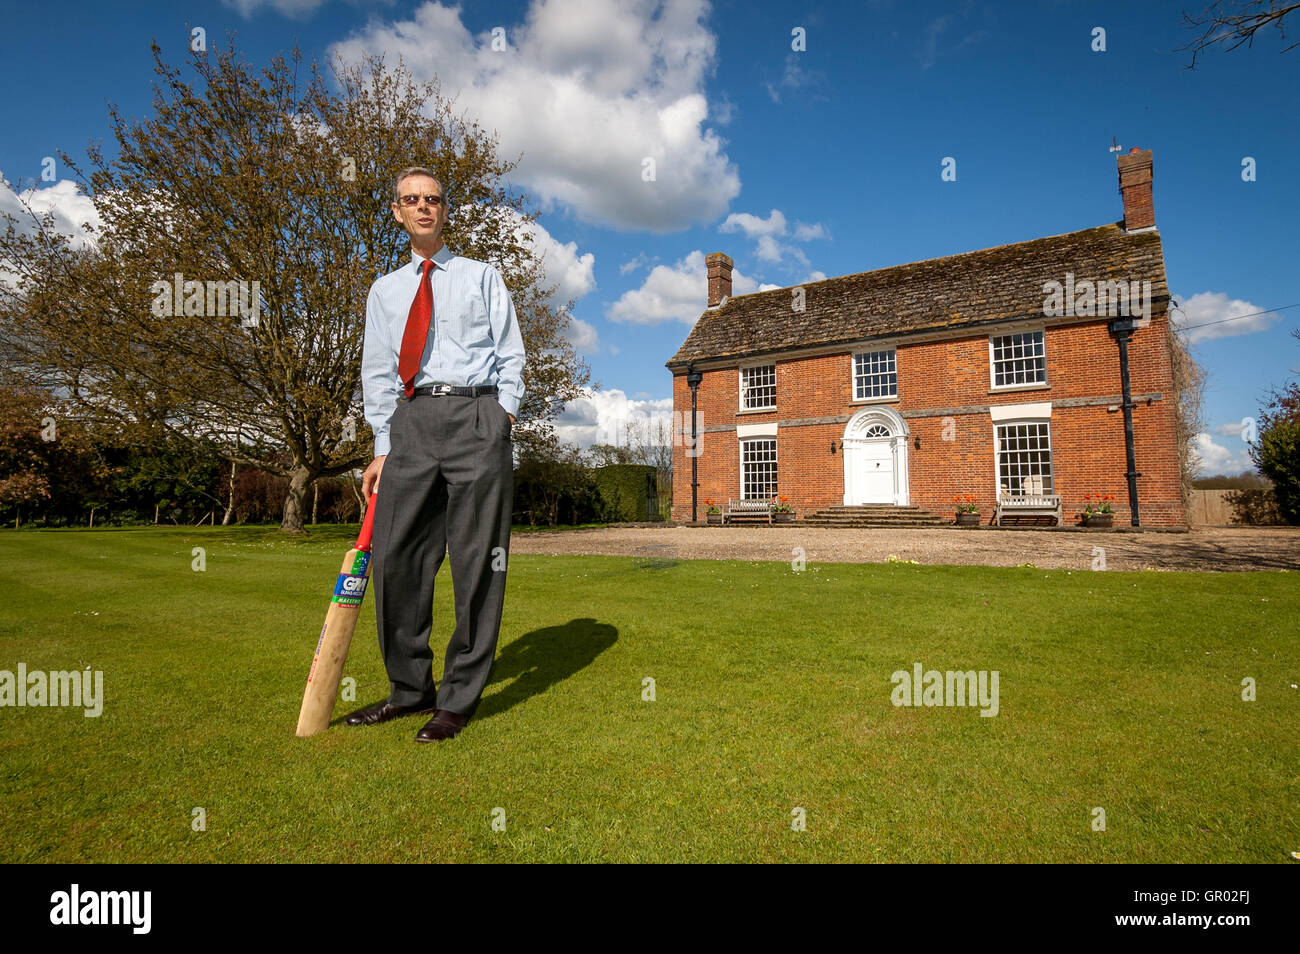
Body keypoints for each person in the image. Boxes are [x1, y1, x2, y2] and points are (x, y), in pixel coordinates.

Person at [346, 166, 525, 742]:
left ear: (445, 210)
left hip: (477, 416)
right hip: (411, 422)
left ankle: (458, 697)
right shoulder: (385, 290)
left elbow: (511, 355)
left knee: (478, 561)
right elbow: (377, 371)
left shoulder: (483, 277)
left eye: (433, 199)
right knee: (398, 560)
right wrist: (381, 445)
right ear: (397, 212)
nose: (423, 207)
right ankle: (408, 690)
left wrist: (501, 418)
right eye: (411, 200)